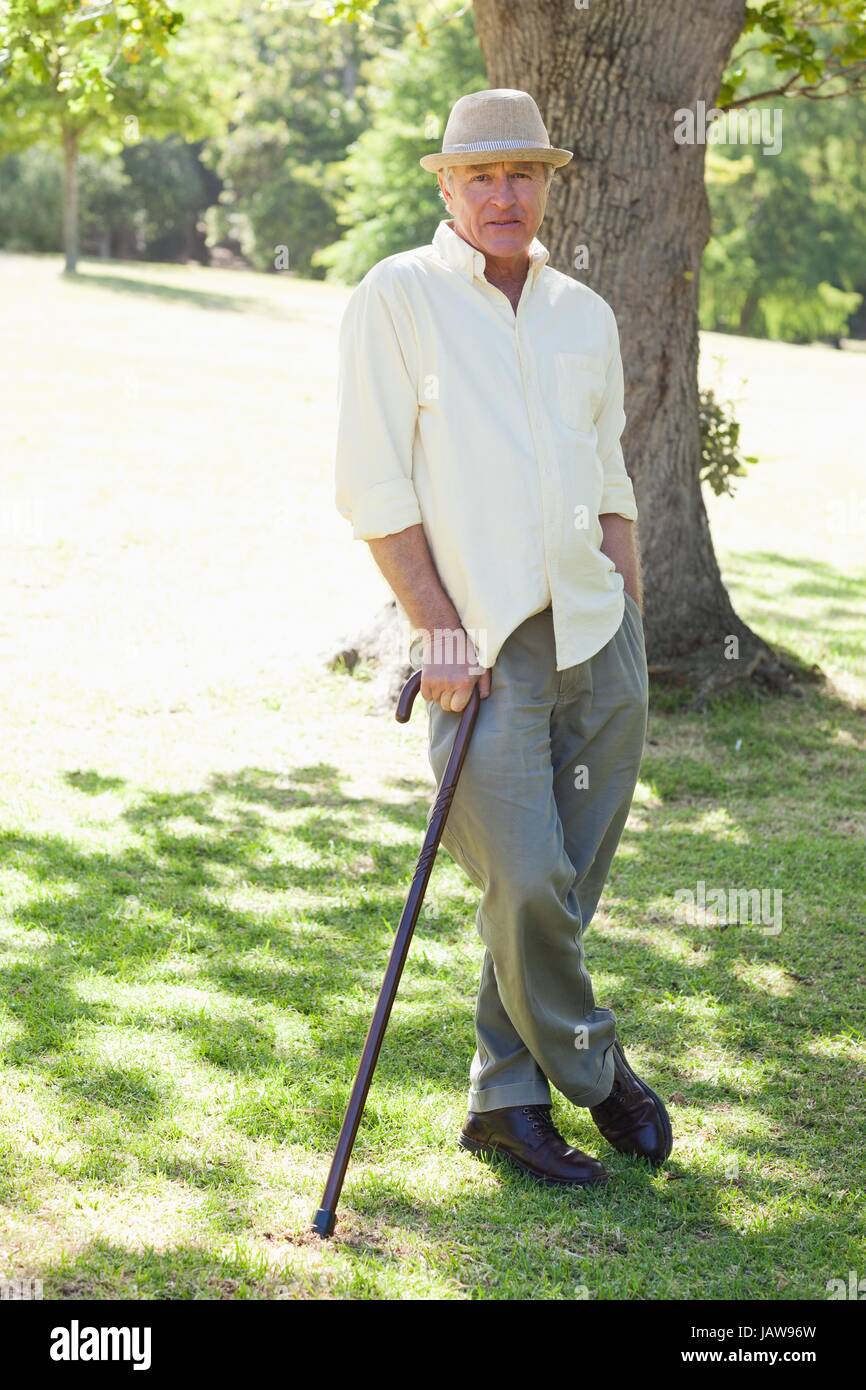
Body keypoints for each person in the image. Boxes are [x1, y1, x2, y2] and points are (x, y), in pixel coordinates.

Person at [334, 88, 672, 1188]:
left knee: (558, 896)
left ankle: (504, 1103)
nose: (501, 193)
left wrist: (631, 615)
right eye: (478, 175)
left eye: (521, 172)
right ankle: (598, 1074)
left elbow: (610, 477)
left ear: (546, 183)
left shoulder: (584, 313)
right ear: (445, 185)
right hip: (478, 646)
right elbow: (372, 482)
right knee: (525, 882)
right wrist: (434, 631)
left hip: (600, 638)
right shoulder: (398, 297)